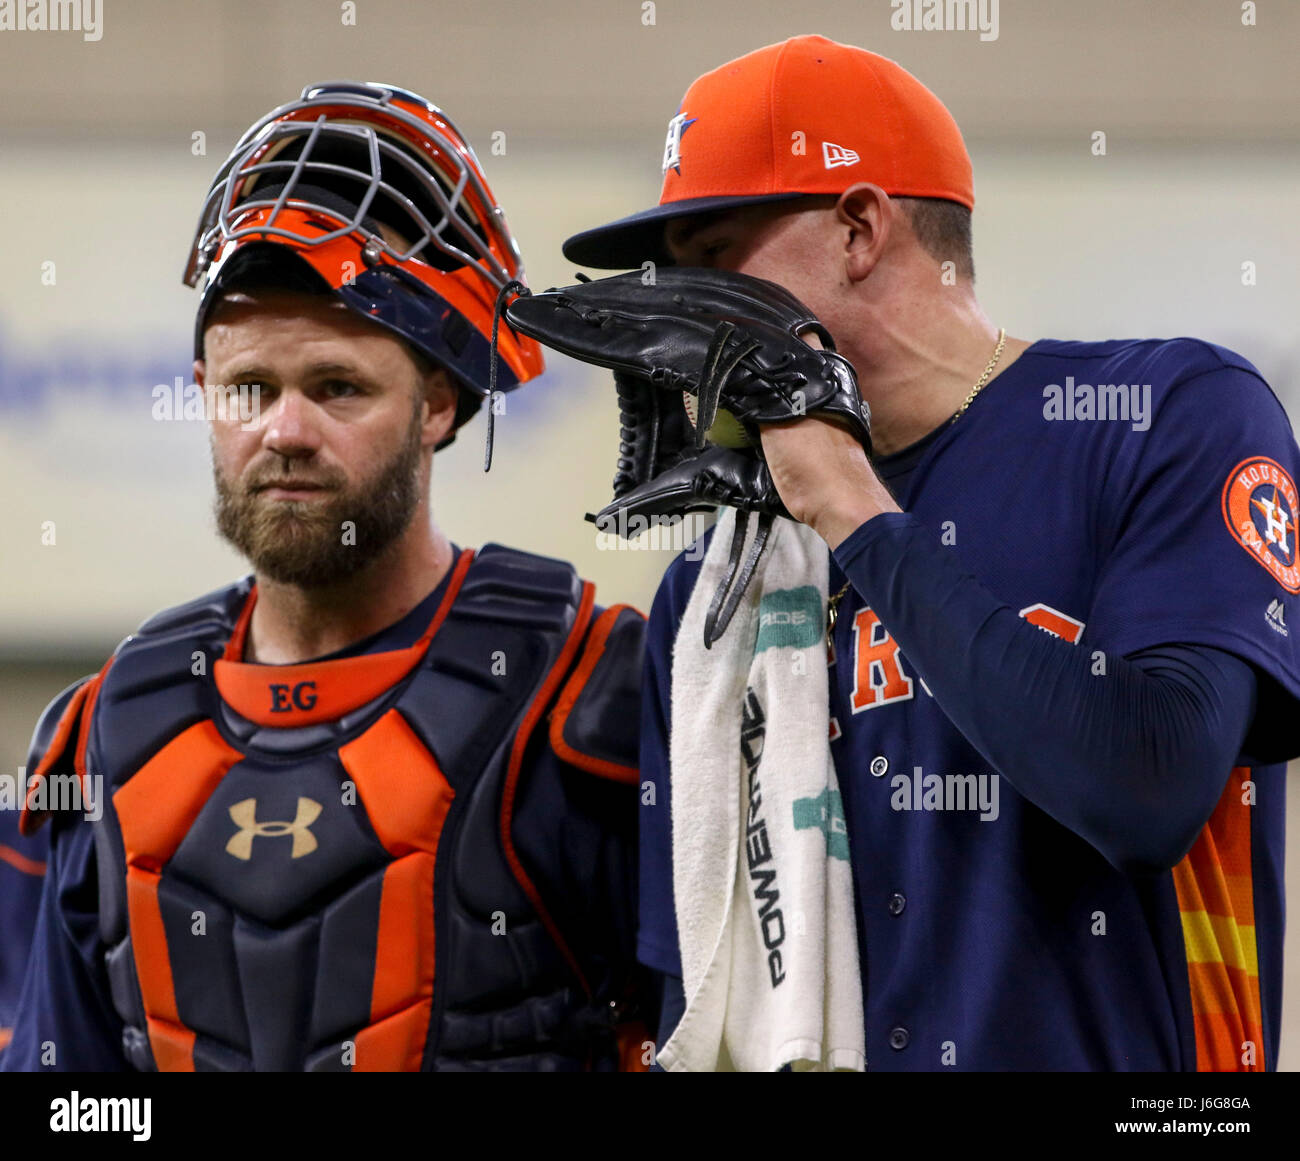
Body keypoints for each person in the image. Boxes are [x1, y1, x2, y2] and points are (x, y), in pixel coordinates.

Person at [562, 35, 1300, 1070]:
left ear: (860, 227)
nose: (687, 311)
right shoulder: (718, 585)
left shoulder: (1164, 418)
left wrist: (857, 514)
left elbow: (1148, 787)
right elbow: (698, 996)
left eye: (718, 256)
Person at [4, 82, 649, 1072]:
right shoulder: (103, 732)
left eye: (338, 387)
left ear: (438, 403)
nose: (285, 431)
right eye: (249, 389)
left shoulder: (590, 699)